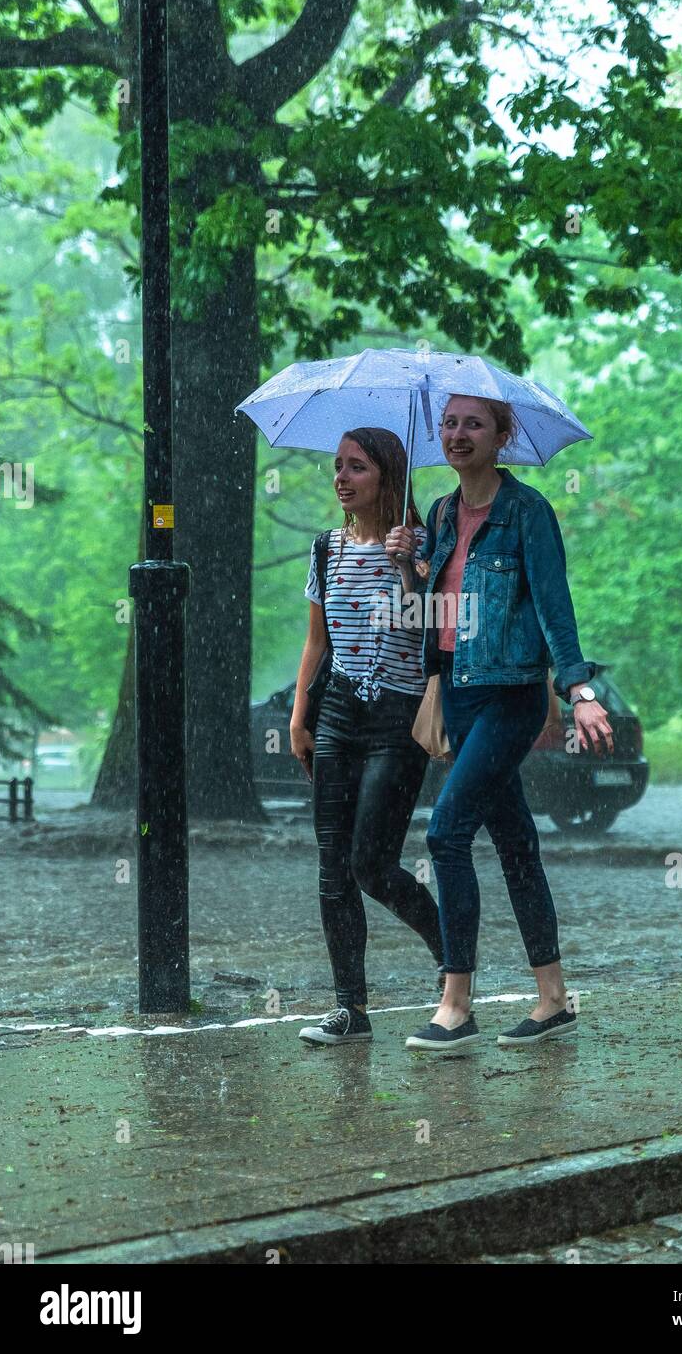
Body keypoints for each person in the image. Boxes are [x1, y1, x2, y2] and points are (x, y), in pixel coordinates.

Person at [385, 395, 613, 1051]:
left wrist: (579, 688)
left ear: (502, 435)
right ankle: (551, 1000)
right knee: (515, 844)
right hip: (455, 692)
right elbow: (425, 616)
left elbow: (552, 606)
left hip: (510, 694)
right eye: (449, 424)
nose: (457, 435)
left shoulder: (527, 512)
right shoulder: (439, 513)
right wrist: (409, 562)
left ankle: (455, 1004)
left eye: (473, 425)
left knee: (446, 833)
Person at [289, 427, 445, 1045]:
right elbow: (316, 640)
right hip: (338, 715)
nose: (342, 478)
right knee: (332, 868)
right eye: (337, 466)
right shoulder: (325, 549)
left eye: (356, 467)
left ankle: (449, 952)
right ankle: (351, 1010)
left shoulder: (423, 545)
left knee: (371, 864)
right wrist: (301, 717)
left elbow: (430, 624)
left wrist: (408, 564)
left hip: (398, 719)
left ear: (388, 476)